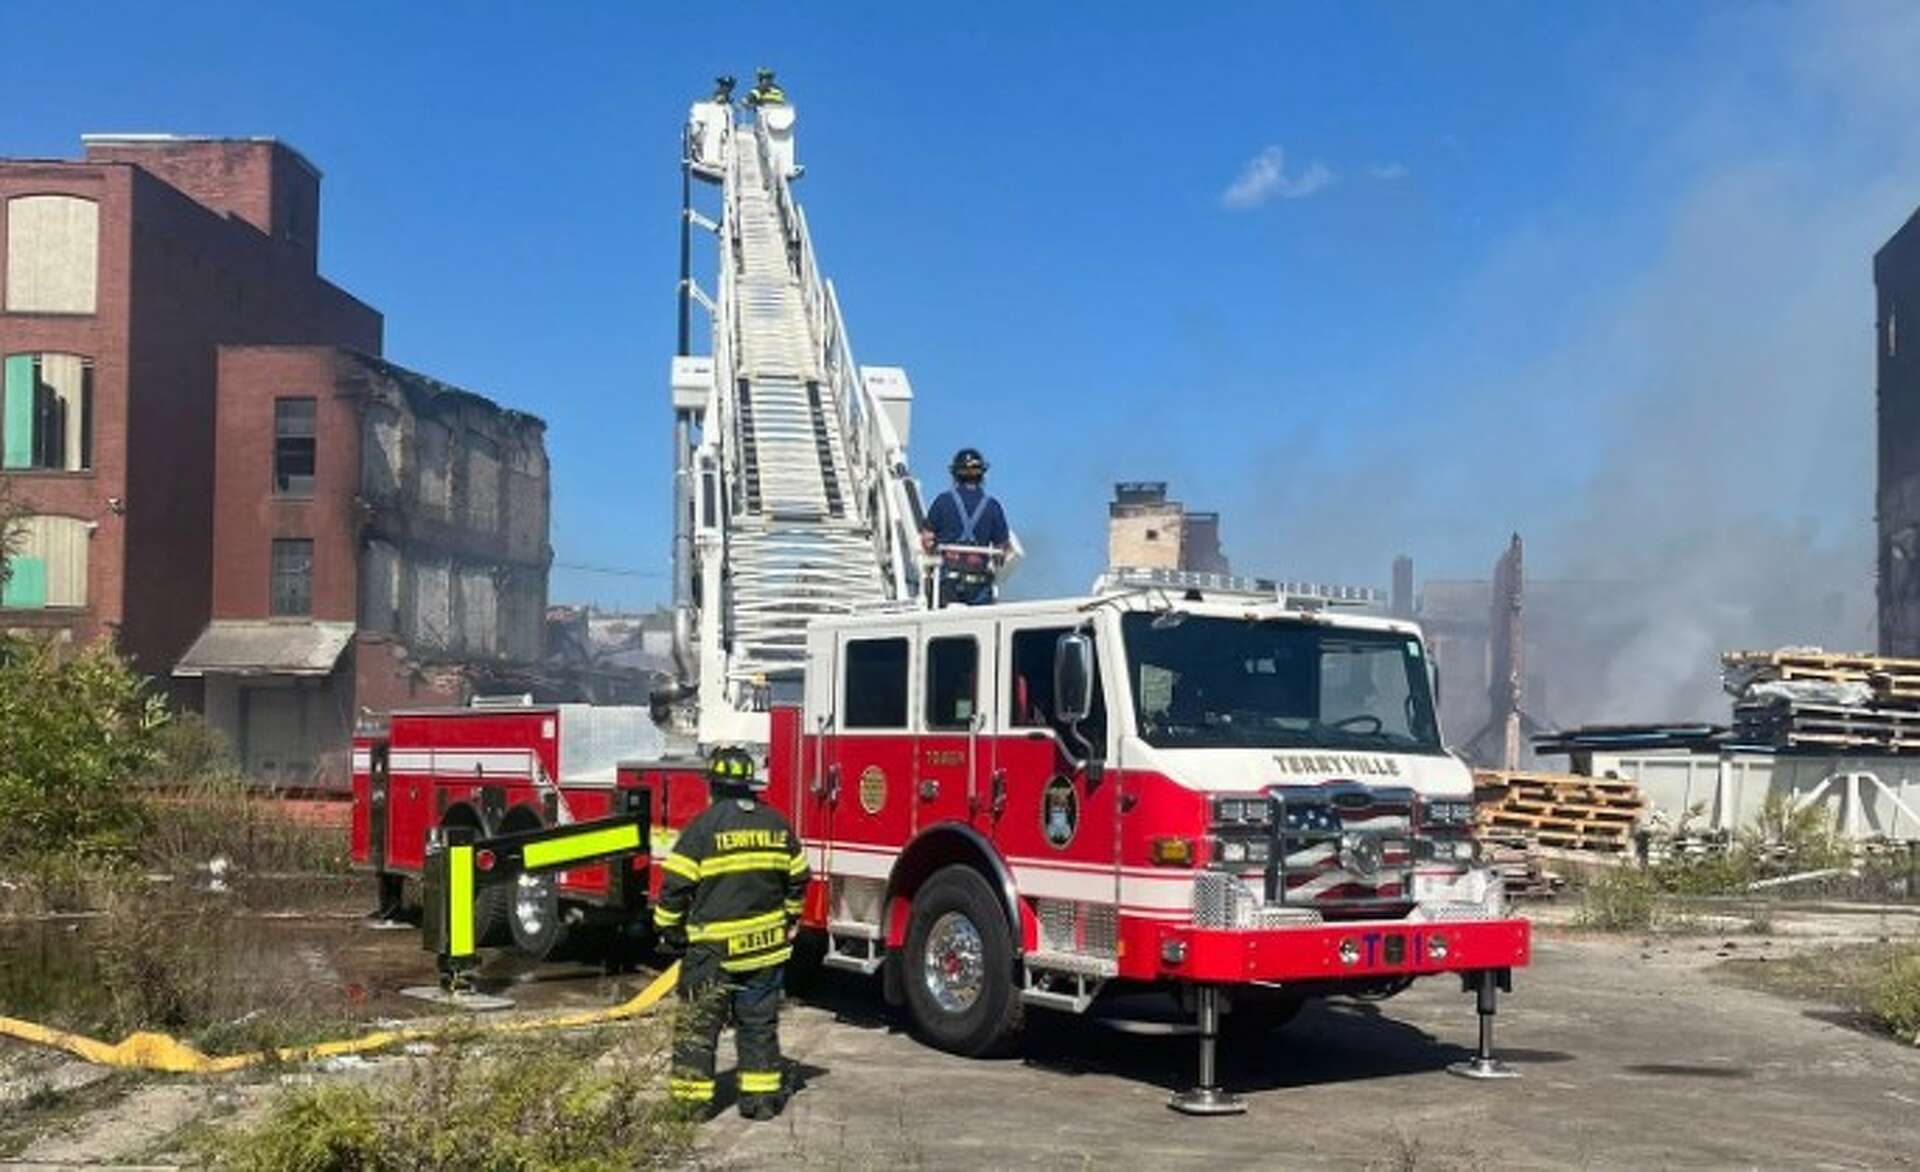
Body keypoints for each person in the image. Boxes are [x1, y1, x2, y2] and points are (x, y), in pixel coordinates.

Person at [655, 746, 810, 1121]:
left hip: (713, 953)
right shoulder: (777, 824)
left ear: (715, 787)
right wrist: (789, 921)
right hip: (765, 951)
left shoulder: (703, 828)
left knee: (698, 1029)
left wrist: (669, 931)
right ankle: (759, 1102)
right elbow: (798, 879)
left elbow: (675, 888)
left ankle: (691, 1106)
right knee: (758, 1025)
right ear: (749, 786)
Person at [920, 447, 1010, 606]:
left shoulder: (943, 501)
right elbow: (1002, 549)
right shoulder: (993, 506)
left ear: (954, 474)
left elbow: (927, 540)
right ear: (982, 474)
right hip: (979, 584)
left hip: (947, 582)